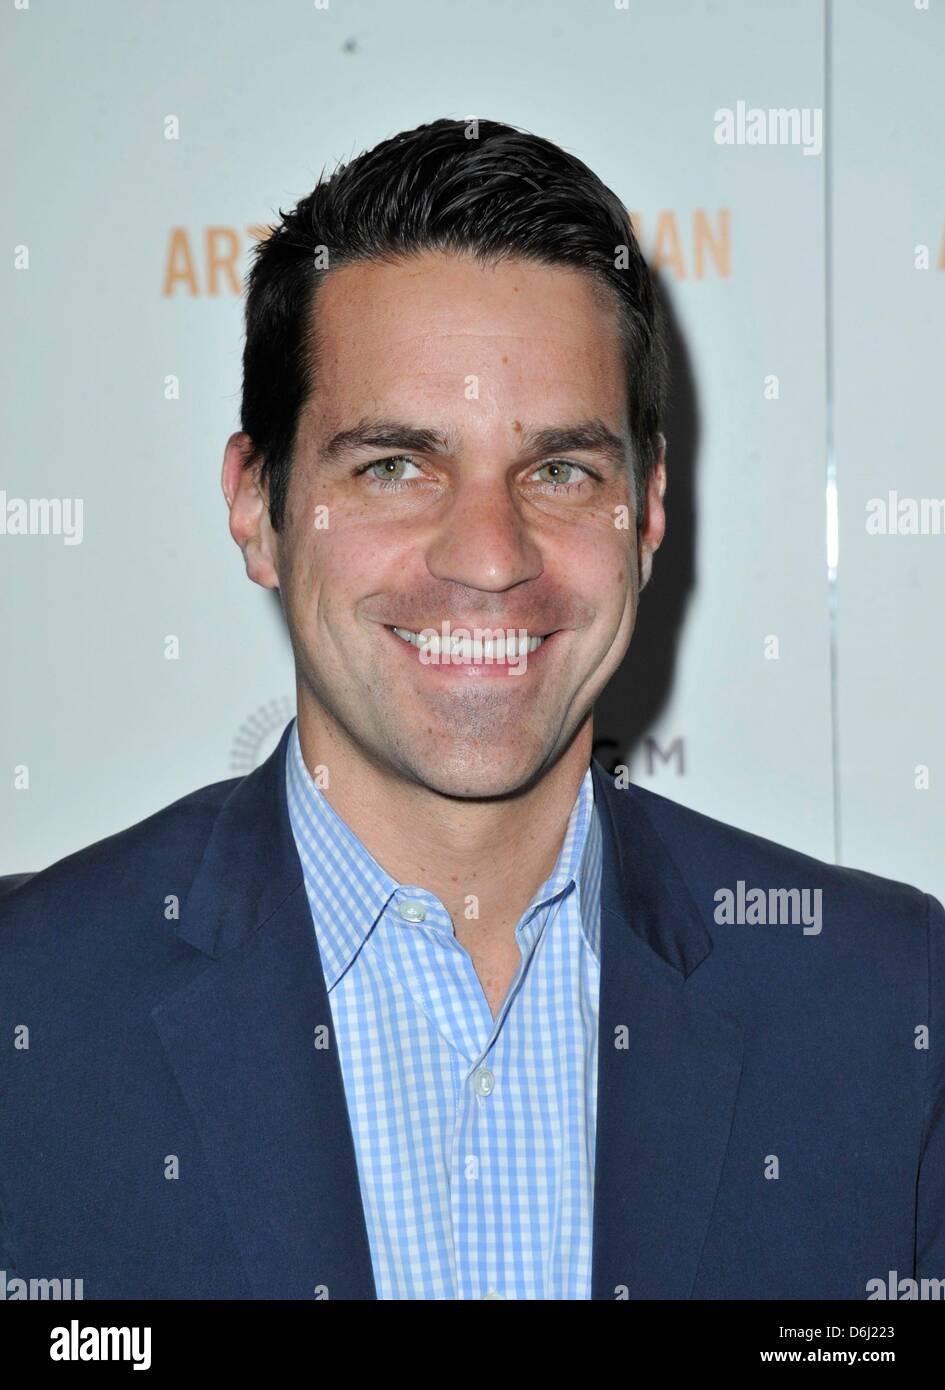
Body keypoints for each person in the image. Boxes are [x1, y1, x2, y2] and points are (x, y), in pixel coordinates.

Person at [1, 119, 942, 1302]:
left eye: (561, 470)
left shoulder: (888, 1008)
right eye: (395, 465)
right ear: (258, 508)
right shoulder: (28, 1012)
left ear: (647, 514)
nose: (490, 557)